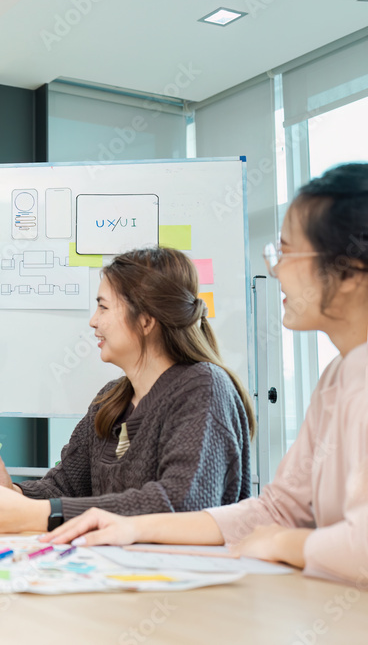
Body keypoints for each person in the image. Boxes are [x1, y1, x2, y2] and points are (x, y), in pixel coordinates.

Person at [41, 163, 368, 585]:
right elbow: (278, 509)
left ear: (349, 273)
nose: (274, 269)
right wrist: (134, 527)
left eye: (287, 253)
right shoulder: (339, 375)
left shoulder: (202, 385)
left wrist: (284, 544)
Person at [0, 246, 256, 534]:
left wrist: (43, 514)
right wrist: (12, 492)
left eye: (103, 307)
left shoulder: (203, 387)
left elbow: (181, 502)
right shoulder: (110, 399)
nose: (93, 321)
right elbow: (64, 487)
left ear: (145, 319)